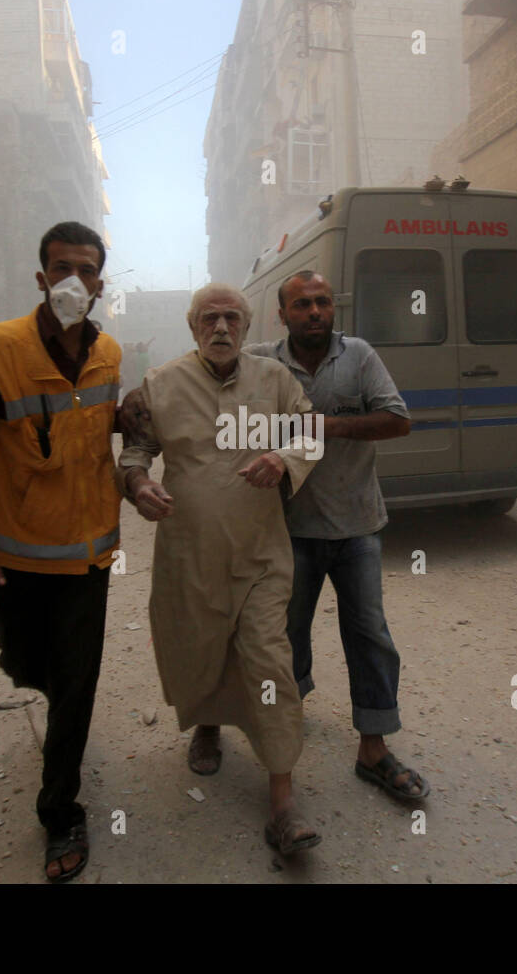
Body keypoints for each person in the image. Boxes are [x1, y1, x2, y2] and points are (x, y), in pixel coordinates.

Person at [0, 221, 122, 882]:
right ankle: (48, 692)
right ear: (41, 277)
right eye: (59, 267)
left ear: (99, 281)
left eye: (85, 269)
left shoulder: (110, 355)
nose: (72, 280)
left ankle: (59, 807)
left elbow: (101, 425)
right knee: (25, 662)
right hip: (17, 565)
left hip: (88, 563)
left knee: (75, 684)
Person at [117, 283, 324, 856]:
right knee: (201, 647)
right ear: (192, 328)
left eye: (232, 317)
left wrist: (283, 458)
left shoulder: (276, 382)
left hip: (260, 554)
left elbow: (311, 432)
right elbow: (134, 454)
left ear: (248, 325)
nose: (222, 328)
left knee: (269, 661)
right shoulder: (160, 385)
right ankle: (208, 725)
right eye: (210, 318)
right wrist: (138, 485)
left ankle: (282, 802)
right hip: (190, 554)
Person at [245, 271, 429, 801]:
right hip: (290, 531)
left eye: (322, 302)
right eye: (301, 304)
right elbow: (211, 374)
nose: (314, 312)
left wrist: (327, 426)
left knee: (369, 635)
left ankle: (373, 749)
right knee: (286, 639)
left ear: (333, 307)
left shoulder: (359, 356)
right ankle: (286, 739)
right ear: (281, 315)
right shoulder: (262, 361)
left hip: (357, 526)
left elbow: (398, 420)